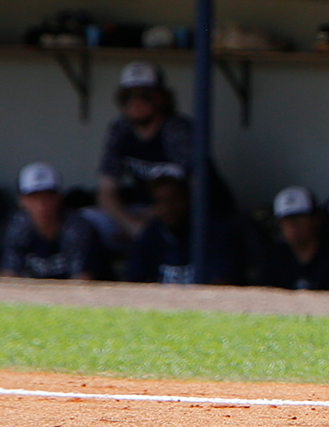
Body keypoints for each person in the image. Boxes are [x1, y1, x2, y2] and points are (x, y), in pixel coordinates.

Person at [97, 61, 232, 242]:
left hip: (192, 213)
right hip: (142, 212)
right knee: (87, 221)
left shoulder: (177, 131)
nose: (135, 102)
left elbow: (193, 194)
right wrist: (131, 224)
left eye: (145, 95)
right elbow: (106, 191)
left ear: (161, 97)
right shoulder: (120, 129)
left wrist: (144, 224)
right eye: (127, 95)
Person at [123, 173, 239, 285]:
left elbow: (222, 284)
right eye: (159, 201)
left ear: (188, 198)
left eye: (173, 200)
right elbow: (132, 282)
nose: (167, 208)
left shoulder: (214, 233)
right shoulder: (151, 235)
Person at [1, 163, 106, 281]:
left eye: (48, 196)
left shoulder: (77, 228)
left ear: (59, 197)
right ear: (21, 200)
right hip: (33, 291)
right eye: (34, 197)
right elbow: (8, 276)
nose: (42, 204)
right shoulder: (17, 227)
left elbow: (82, 281)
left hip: (72, 291)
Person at [258, 185, 329, 292]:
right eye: (287, 220)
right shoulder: (274, 259)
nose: (293, 225)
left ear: (315, 219)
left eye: (299, 218)